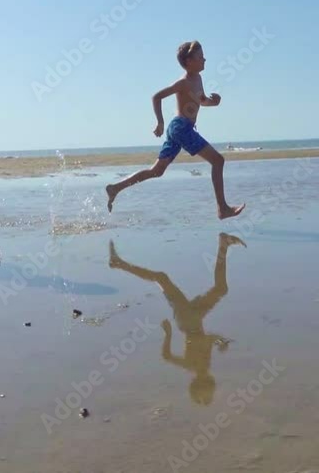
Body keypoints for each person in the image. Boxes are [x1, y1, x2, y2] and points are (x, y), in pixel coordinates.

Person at [105, 41, 245, 220]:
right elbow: (156, 97)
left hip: (178, 128)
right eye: (200, 57)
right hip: (181, 127)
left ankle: (115, 188)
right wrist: (160, 122)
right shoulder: (183, 82)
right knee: (218, 161)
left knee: (156, 171)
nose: (204, 59)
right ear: (189, 61)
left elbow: (201, 100)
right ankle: (222, 209)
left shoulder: (198, 79)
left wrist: (214, 102)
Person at [108, 233, 245, 404]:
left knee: (164, 279)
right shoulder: (198, 366)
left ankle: (118, 263)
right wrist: (220, 341)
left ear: (204, 381)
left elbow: (173, 353)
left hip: (188, 319)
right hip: (190, 319)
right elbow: (204, 341)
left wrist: (168, 333)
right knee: (219, 288)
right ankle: (223, 244)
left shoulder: (194, 366)